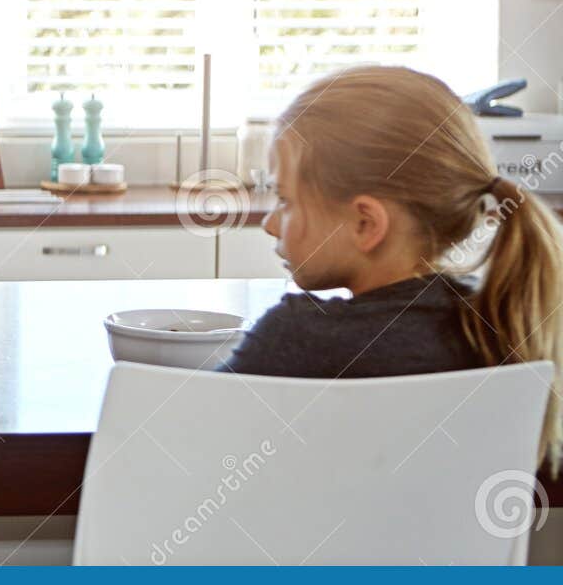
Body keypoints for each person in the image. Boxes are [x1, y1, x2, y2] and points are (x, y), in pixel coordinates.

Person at [220, 65, 561, 474]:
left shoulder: (294, 339)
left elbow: (183, 448)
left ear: (366, 224)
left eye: (285, 200)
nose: (270, 223)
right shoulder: (504, 330)